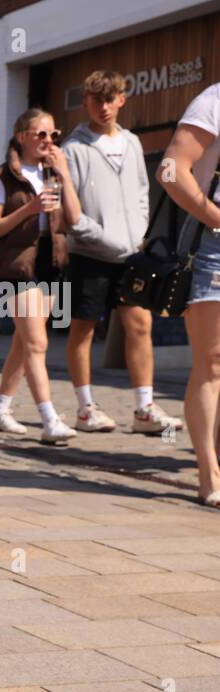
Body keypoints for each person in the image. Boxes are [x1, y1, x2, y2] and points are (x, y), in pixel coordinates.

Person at [61, 71, 183, 435]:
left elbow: (142, 191)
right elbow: (71, 213)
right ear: (85, 102)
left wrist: (137, 233)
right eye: (96, 99)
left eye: (110, 98)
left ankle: (144, 409)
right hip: (89, 254)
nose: (103, 106)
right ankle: (85, 410)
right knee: (83, 328)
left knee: (141, 324)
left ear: (122, 100)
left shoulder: (131, 142)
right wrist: (103, 238)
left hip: (130, 255)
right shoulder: (73, 149)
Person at [0, 108, 82, 444]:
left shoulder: (52, 173)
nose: (48, 141)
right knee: (37, 343)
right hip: (16, 265)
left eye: (54, 134)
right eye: (41, 134)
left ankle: (0, 409)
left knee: (24, 341)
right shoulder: (2, 178)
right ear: (22, 135)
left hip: (49, 262)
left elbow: (75, 217)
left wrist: (65, 174)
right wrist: (30, 209)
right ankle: (49, 419)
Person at [159, 82, 220, 507]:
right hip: (214, 246)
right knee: (213, 361)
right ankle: (209, 471)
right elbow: (171, 170)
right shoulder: (214, 102)